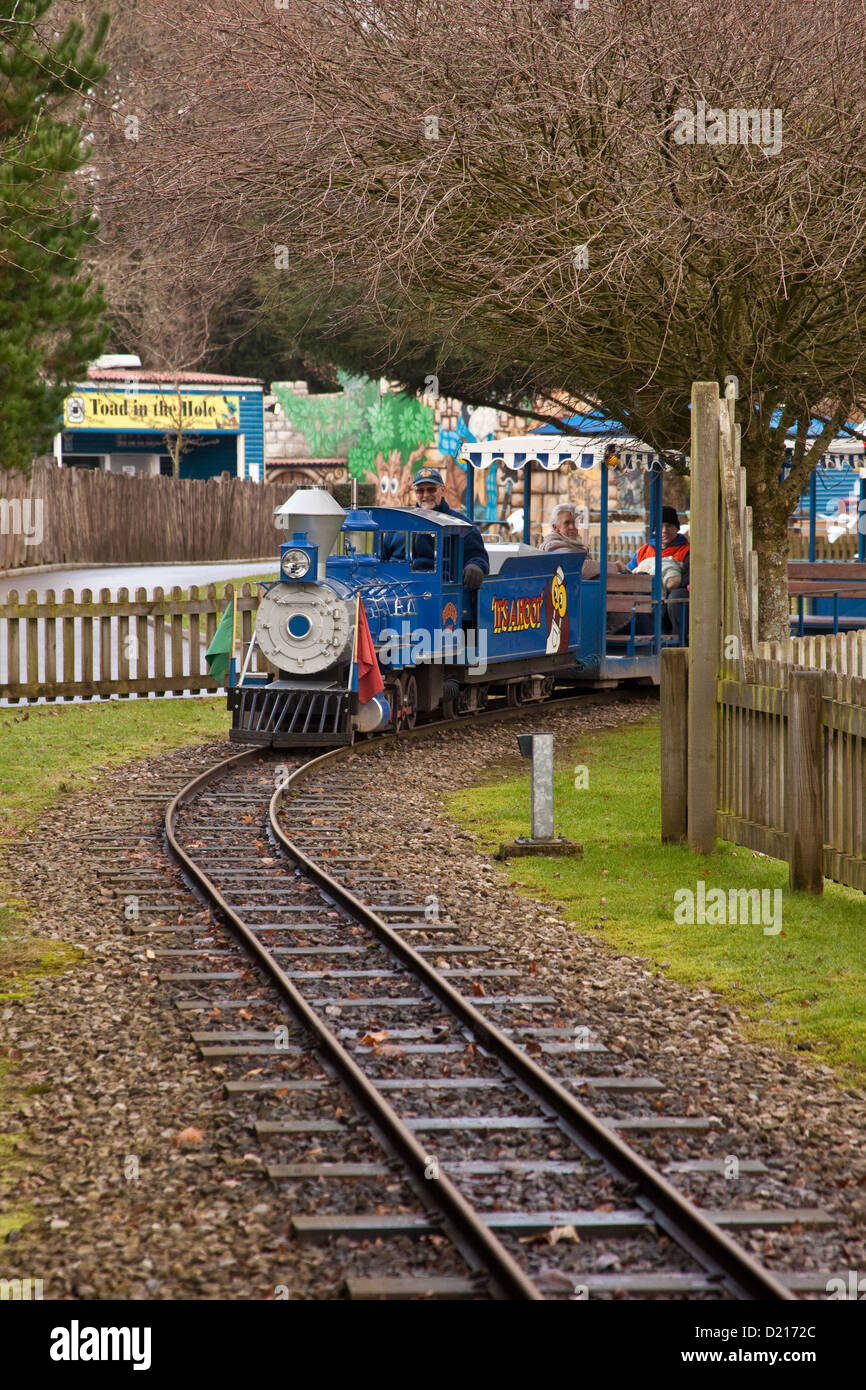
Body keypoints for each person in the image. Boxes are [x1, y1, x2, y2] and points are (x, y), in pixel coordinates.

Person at [380, 466, 489, 588]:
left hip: (439, 591)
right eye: (420, 491)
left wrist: (474, 567)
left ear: (442, 490)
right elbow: (381, 557)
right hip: (395, 589)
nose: (425, 495)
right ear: (415, 492)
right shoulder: (398, 524)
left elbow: (478, 557)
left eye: (431, 490)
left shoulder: (461, 524)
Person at [617, 505, 690, 634]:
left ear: (677, 528)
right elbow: (629, 573)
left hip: (670, 596)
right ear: (654, 530)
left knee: (677, 596)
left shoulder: (686, 550)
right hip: (646, 595)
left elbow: (686, 581)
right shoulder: (643, 551)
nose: (664, 530)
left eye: (669, 526)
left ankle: (677, 638)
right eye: (660, 526)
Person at [540, 503, 600, 579]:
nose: (572, 527)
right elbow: (580, 567)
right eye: (567, 523)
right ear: (555, 527)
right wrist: (615, 566)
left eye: (575, 523)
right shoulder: (553, 546)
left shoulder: (571, 544)